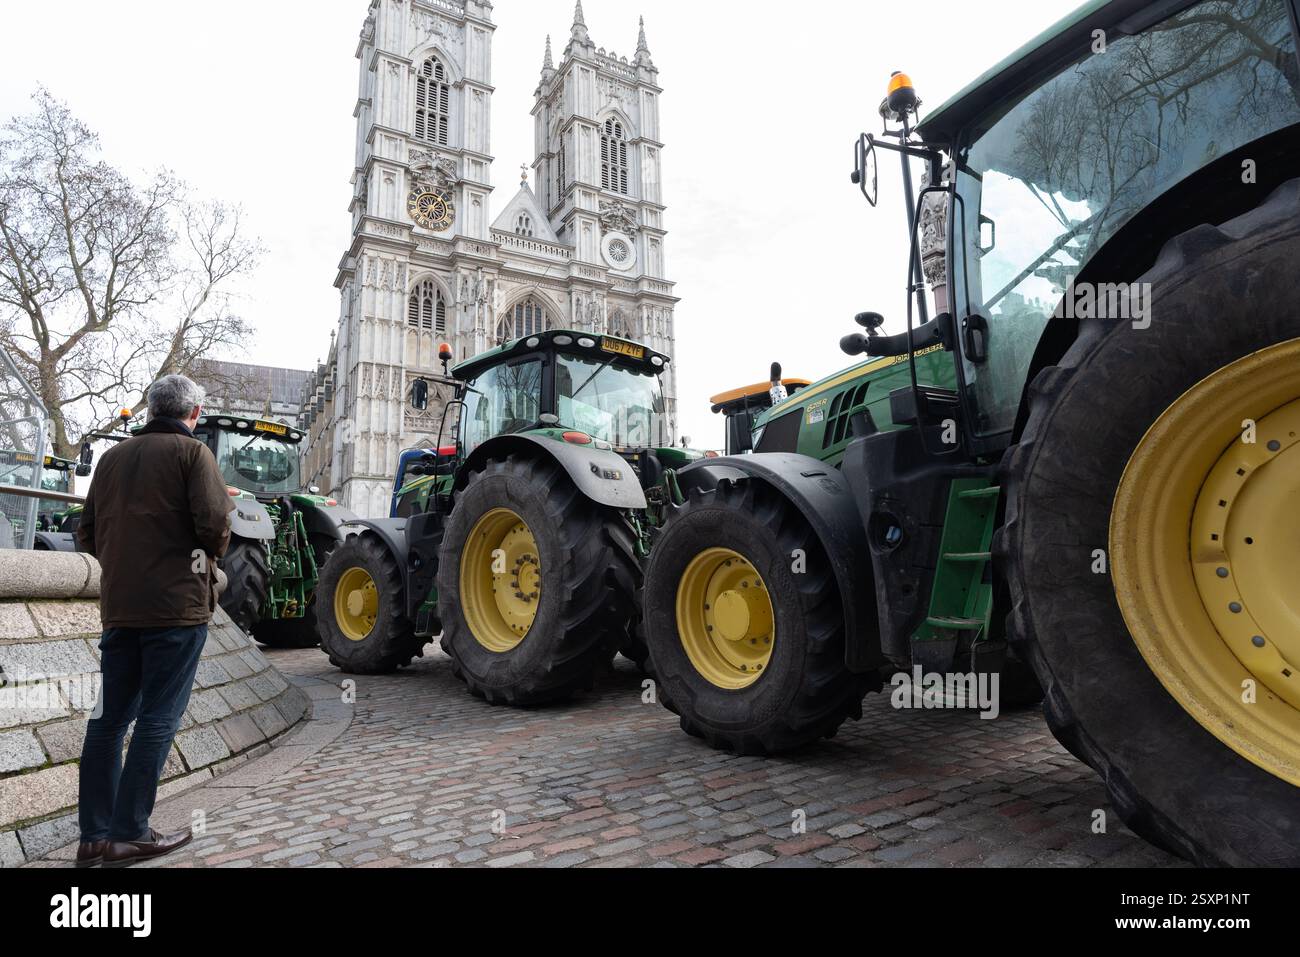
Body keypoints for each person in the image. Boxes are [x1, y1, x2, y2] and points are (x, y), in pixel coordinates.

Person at [74, 375, 234, 868]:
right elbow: (213, 527)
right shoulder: (193, 456)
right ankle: (130, 835)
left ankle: (94, 838)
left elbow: (86, 534)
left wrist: (128, 568)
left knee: (107, 721)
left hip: (121, 608)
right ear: (195, 413)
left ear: (149, 410)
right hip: (175, 610)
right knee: (158, 717)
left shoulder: (111, 458)